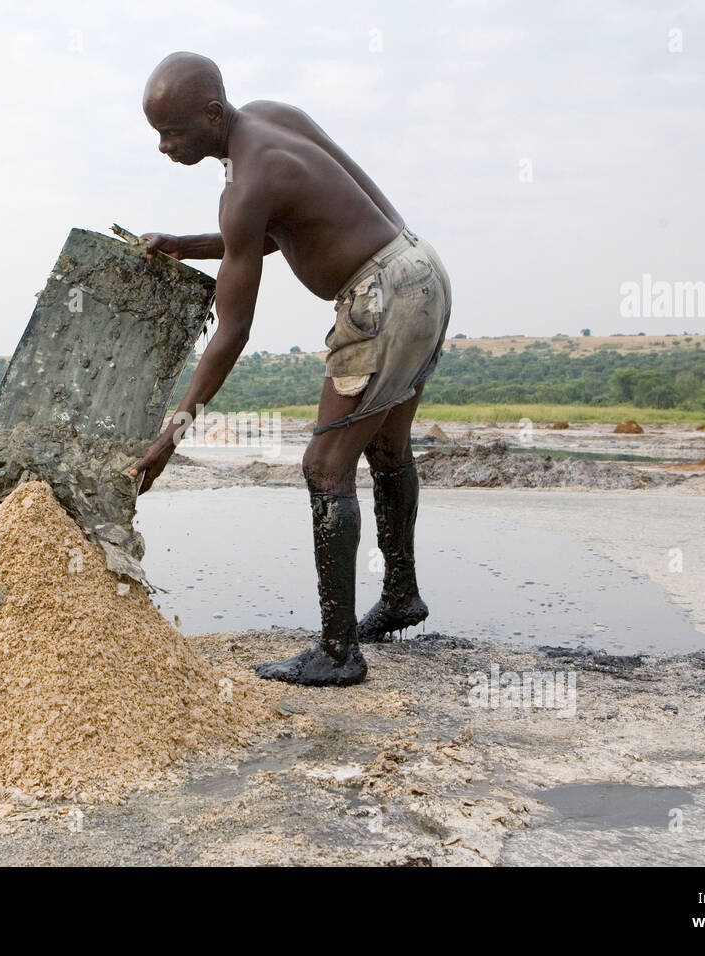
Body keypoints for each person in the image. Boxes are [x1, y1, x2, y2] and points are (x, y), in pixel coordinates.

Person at [131, 52, 451, 687]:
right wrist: (185, 244)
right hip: (420, 269)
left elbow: (232, 331)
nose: (164, 148)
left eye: (173, 133)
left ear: (213, 114)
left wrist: (170, 436)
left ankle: (337, 653)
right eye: (156, 134)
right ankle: (401, 596)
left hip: (380, 297)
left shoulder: (245, 185)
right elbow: (281, 231)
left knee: (324, 466)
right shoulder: (276, 120)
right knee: (386, 445)